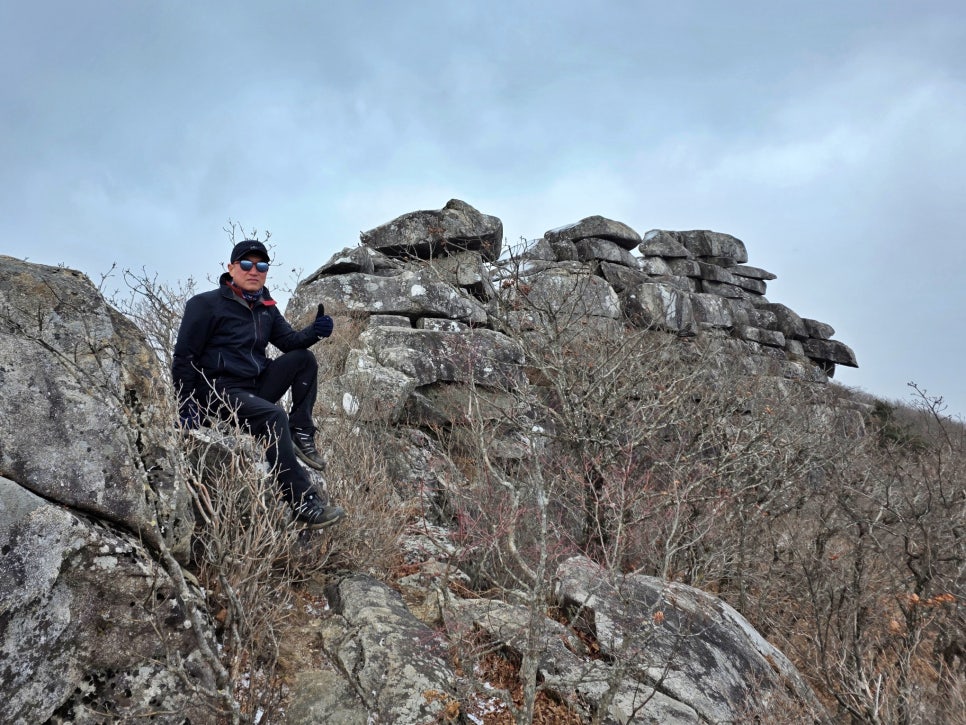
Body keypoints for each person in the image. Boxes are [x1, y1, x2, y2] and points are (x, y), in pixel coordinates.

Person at [172, 239, 346, 529]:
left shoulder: (265, 307)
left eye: (261, 265)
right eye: (246, 264)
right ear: (231, 268)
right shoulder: (204, 305)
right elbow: (184, 357)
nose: (254, 270)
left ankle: (301, 432)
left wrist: (315, 332)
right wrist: (186, 404)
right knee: (274, 415)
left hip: (254, 387)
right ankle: (302, 502)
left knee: (303, 359)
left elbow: (288, 342)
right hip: (218, 392)